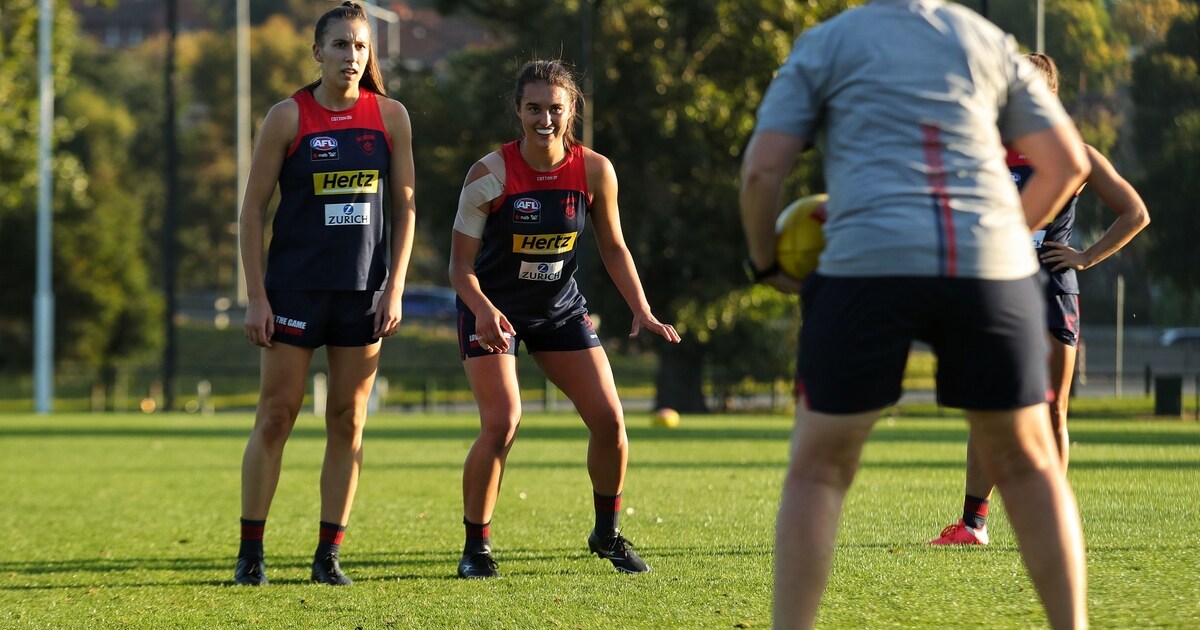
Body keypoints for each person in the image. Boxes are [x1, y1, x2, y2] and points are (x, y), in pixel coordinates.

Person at [739, 2, 1092, 628]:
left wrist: (767, 266)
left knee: (819, 470)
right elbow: (1069, 163)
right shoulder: (987, 38)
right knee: (1030, 462)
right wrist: (1008, 235)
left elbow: (764, 169)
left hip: (865, 262)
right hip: (987, 266)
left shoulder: (826, 44)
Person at [448, 59, 681, 579]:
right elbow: (459, 269)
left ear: (572, 109)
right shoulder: (488, 175)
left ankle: (606, 534)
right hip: (492, 311)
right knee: (503, 422)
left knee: (611, 422)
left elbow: (614, 247)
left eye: (555, 108)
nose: (545, 119)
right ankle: (476, 547)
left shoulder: (595, 170)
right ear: (518, 111)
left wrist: (641, 310)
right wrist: (483, 311)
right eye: (534, 108)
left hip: (559, 310)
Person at [930, 52, 1150, 546]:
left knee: (1052, 410)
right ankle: (972, 525)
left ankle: (1052, 525)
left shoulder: (1075, 153)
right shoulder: (986, 149)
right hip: (997, 286)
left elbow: (1135, 212)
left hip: (1050, 288)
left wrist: (1086, 257)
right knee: (990, 404)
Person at [234, 1, 416, 586]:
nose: (352, 56)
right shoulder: (288, 116)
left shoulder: (390, 117)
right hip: (293, 291)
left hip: (362, 294)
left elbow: (407, 207)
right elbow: (251, 211)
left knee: (348, 420)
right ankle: (251, 553)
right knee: (275, 417)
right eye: (340, 45)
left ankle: (328, 555)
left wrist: (394, 287)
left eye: (361, 46)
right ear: (318, 53)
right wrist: (257, 296)